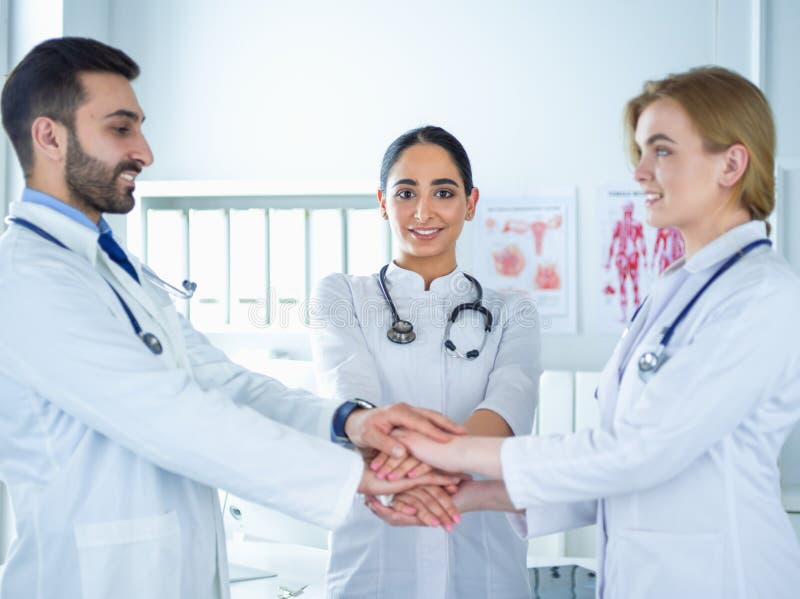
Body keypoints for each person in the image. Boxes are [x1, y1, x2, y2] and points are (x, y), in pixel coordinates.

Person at [0, 38, 465, 599]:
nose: (145, 152)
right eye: (121, 128)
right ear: (49, 136)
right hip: (87, 579)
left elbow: (223, 383)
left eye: (140, 127)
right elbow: (169, 416)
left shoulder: (117, 269)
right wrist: (353, 478)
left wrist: (349, 423)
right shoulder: (26, 279)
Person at [383, 67, 800, 599]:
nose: (641, 171)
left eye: (662, 151)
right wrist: (474, 495)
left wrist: (444, 451)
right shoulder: (675, 289)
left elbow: (637, 451)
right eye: (641, 152)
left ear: (732, 163)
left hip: (724, 579)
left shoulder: (761, 295)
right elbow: (623, 471)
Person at [310, 126, 541, 598]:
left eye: (443, 192)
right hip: (374, 559)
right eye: (406, 192)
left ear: (470, 203)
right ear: (381, 202)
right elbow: (353, 404)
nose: (423, 211)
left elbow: (506, 411)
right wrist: (434, 470)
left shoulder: (513, 311)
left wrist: (415, 475)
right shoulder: (341, 296)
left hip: (483, 559)